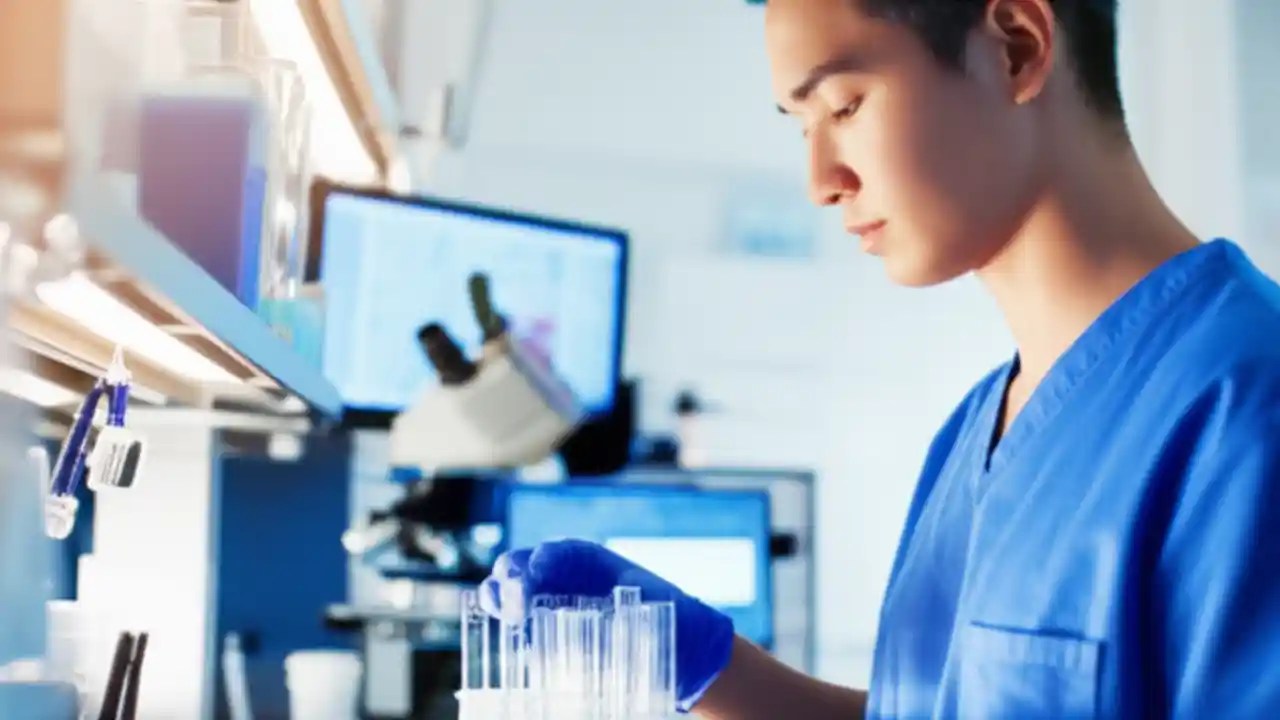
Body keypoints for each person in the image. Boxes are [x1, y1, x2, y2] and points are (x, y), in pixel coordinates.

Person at [482, 0, 1280, 717]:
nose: (818, 180)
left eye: (844, 105)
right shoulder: (978, 430)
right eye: (801, 128)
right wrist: (710, 667)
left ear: (1015, 48)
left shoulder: (1245, 405)